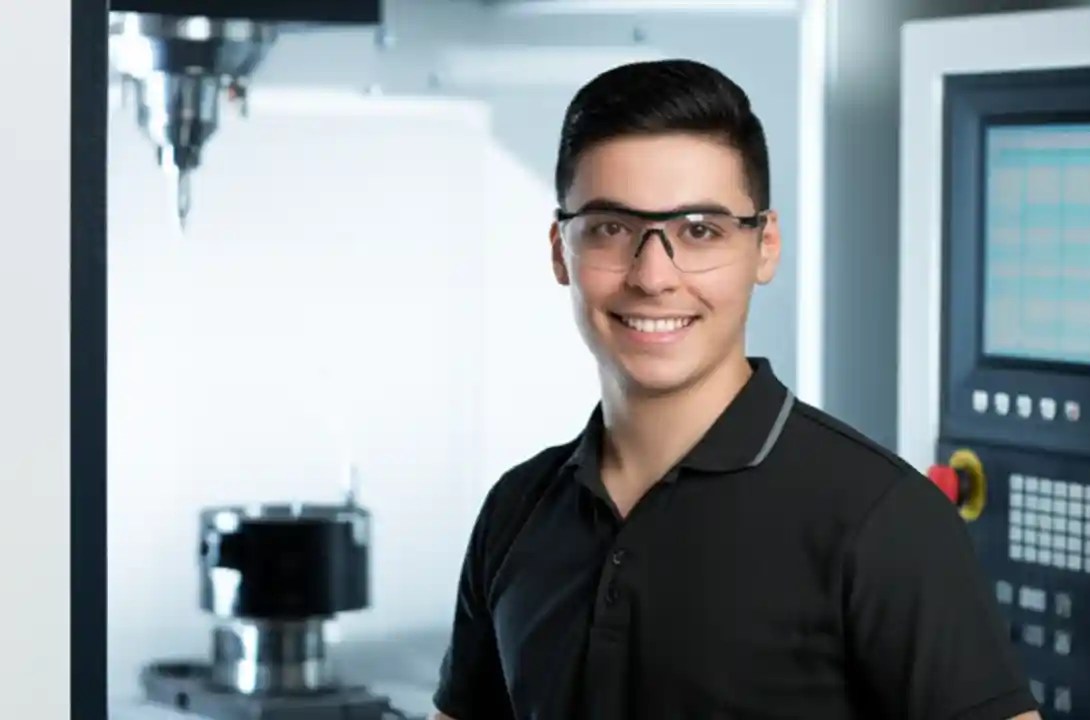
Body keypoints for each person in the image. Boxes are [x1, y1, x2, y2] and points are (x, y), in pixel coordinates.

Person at [431, 59, 1042, 720]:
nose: (653, 275)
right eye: (612, 228)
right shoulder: (517, 510)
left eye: (699, 231)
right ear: (560, 250)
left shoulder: (883, 523)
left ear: (765, 246)